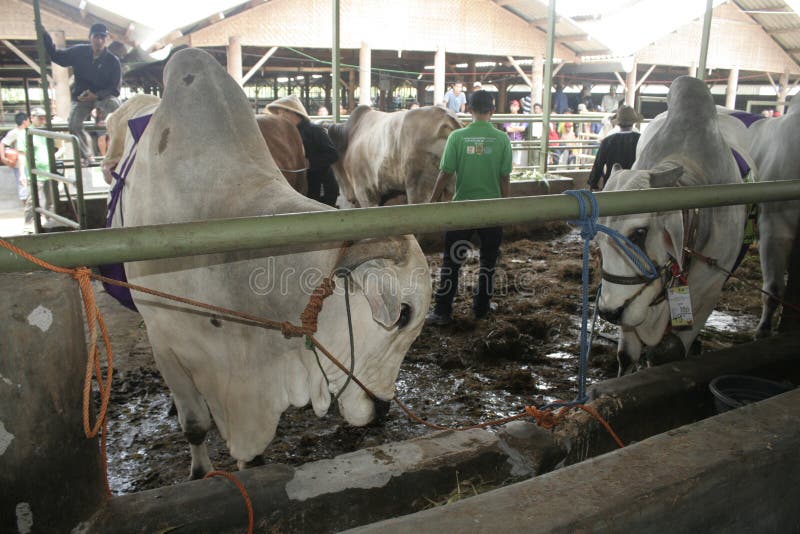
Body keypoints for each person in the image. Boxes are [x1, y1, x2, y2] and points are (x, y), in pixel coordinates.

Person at [426, 90, 512, 325]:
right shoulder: (502, 139)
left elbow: (445, 172)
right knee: (488, 262)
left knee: (451, 262)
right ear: (492, 111)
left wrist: (433, 201)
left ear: (468, 110)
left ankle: (442, 311)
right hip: (492, 209)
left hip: (462, 208)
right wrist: (506, 207)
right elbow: (504, 178)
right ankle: (481, 309)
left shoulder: (457, 137)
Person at [41, 22, 121, 164]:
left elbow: (115, 89)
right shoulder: (79, 52)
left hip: (103, 96)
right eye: (96, 37)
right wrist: (44, 36)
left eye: (103, 37)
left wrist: (97, 96)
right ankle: (87, 155)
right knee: (73, 124)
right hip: (82, 96)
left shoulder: (113, 61)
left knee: (118, 110)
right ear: (90, 38)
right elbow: (56, 56)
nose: (99, 41)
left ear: (107, 39)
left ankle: (122, 148)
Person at [267, 95, 339, 206]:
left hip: (321, 185)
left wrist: (309, 162)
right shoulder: (287, 134)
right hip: (301, 187)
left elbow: (333, 154)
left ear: (291, 112)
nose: (279, 117)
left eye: (281, 113)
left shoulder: (315, 130)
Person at [588, 105, 642, 191]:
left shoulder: (608, 141)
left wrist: (593, 183)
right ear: (633, 122)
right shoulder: (640, 139)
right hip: (634, 185)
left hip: (611, 185)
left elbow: (598, 165)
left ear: (618, 123)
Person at [21, 108, 55, 230]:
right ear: (32, 117)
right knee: (33, 199)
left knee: (50, 199)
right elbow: (21, 154)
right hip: (36, 172)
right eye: (39, 118)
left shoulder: (45, 133)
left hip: (48, 171)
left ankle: (49, 222)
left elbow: (56, 146)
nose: (42, 120)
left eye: (43, 118)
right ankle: (29, 223)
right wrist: (22, 174)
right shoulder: (26, 133)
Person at [1, 111, 30, 206]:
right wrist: (3, 157)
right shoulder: (14, 132)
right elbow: (2, 143)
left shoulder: (28, 131)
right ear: (24, 121)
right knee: (22, 184)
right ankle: (25, 205)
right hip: (19, 163)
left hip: (29, 162)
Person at [502, 100, 527, 167]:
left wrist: (513, 127)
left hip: (518, 139)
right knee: (508, 156)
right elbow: (508, 129)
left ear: (518, 107)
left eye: (515, 106)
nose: (513, 107)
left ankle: (514, 172)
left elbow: (523, 128)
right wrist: (518, 128)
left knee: (517, 158)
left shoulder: (522, 117)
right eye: (512, 106)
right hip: (509, 139)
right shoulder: (506, 117)